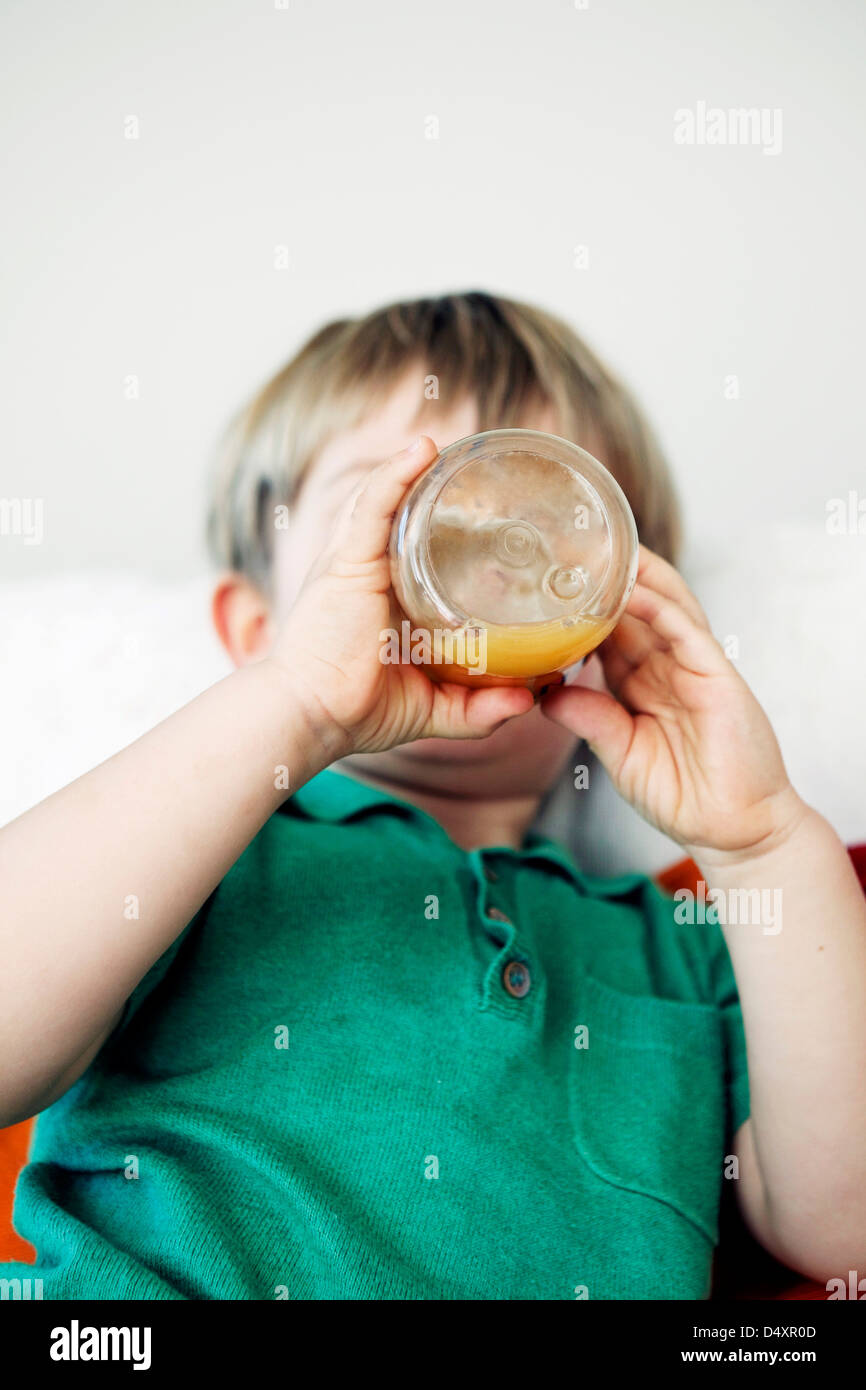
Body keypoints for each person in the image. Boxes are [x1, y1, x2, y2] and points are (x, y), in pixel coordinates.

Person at [1, 291, 864, 1300]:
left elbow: (838, 1233)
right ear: (255, 626)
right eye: (405, 510)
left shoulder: (683, 940)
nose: (483, 554)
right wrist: (287, 702)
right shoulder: (198, 852)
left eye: (543, 529)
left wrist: (763, 845)